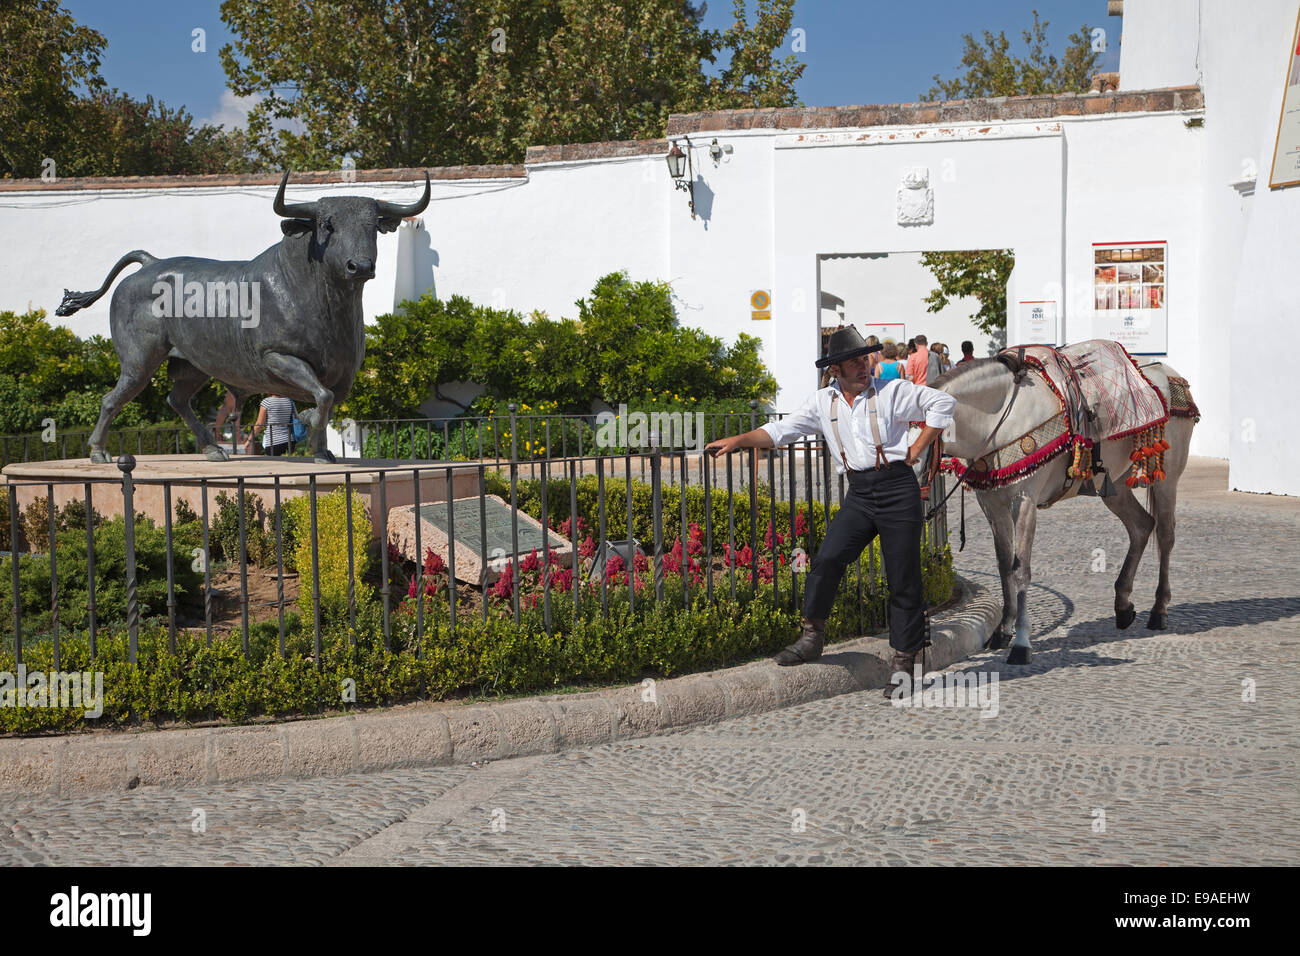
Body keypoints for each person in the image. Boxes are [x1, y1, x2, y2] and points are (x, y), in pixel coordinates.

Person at [703, 326, 956, 689]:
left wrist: (916, 450)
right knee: (828, 558)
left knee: (903, 576)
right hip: (860, 493)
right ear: (835, 369)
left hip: (897, 488)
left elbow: (943, 404)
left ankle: (906, 662)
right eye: (853, 362)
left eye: (864, 359)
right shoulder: (824, 401)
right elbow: (782, 432)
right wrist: (739, 440)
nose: (863, 366)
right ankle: (812, 636)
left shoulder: (892, 391)